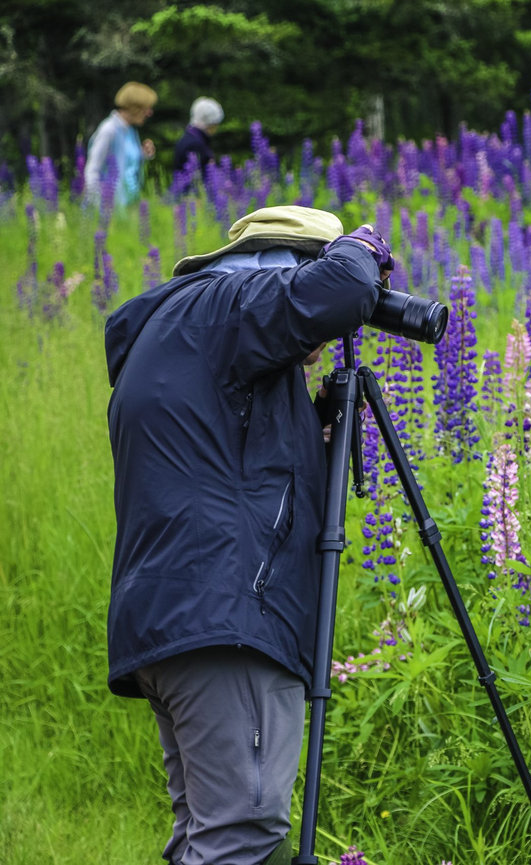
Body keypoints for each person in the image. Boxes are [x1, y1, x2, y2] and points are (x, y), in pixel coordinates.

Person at [104, 206, 394, 865]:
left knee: (204, 834)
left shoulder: (186, 335)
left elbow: (236, 478)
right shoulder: (227, 304)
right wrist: (360, 250)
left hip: (178, 617)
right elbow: (341, 290)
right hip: (226, 620)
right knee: (244, 829)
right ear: (287, 268)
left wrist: (319, 429)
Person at [85, 81, 157, 206]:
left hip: (128, 207)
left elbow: (127, 166)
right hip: (108, 209)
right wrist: (101, 207)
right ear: (135, 107)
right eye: (147, 108)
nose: (149, 113)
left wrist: (143, 154)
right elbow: (92, 170)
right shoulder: (109, 130)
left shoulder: (130, 131)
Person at [173, 97, 223, 185]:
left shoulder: (189, 136)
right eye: (215, 124)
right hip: (190, 195)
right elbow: (197, 179)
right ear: (209, 123)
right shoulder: (195, 144)